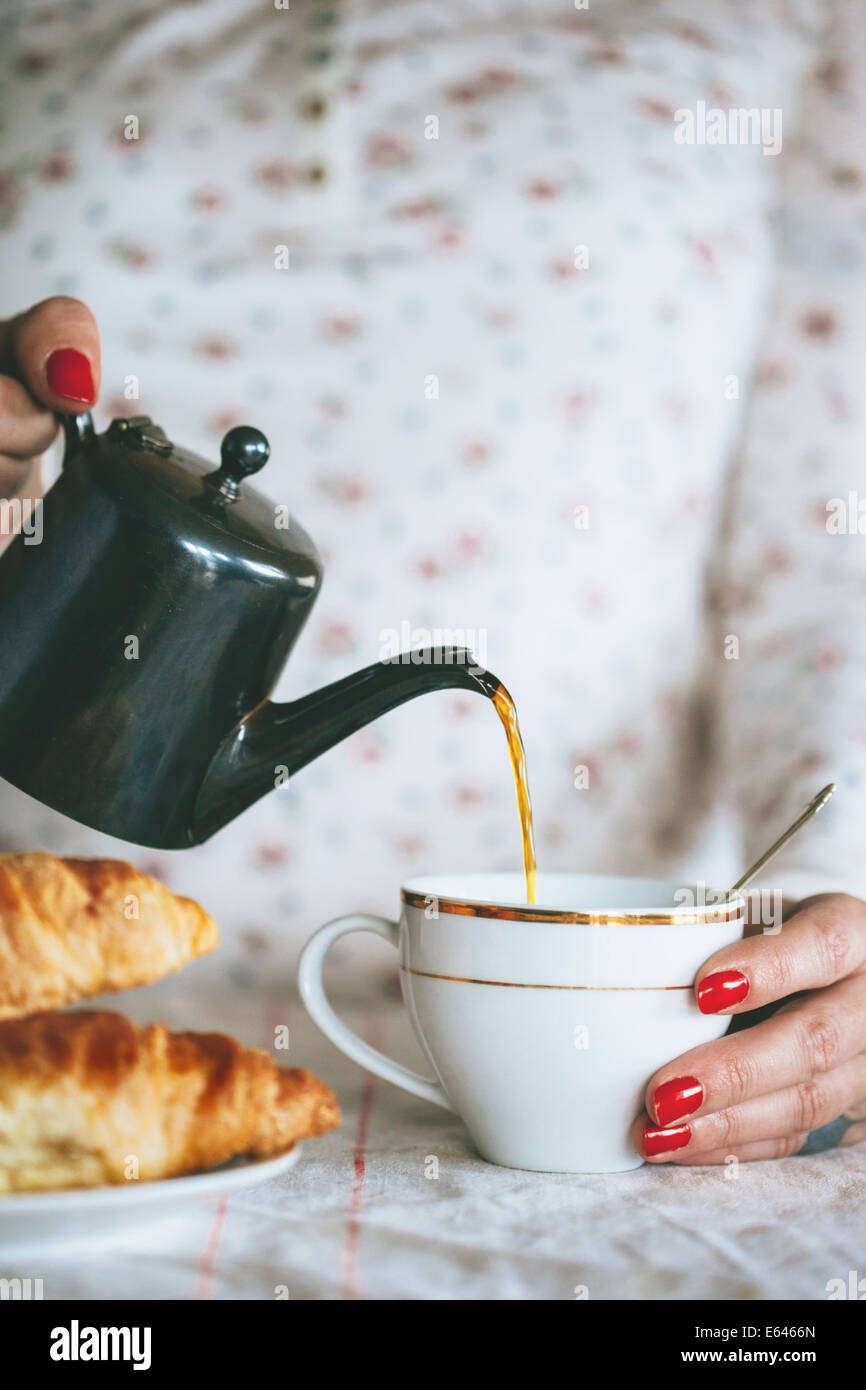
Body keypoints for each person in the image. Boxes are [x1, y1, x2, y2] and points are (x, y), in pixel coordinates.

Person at [1, 0, 865, 1163]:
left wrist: (833, 883)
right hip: (34, 1030)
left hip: (610, 1059)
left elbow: (825, 552)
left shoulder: (780, 26)